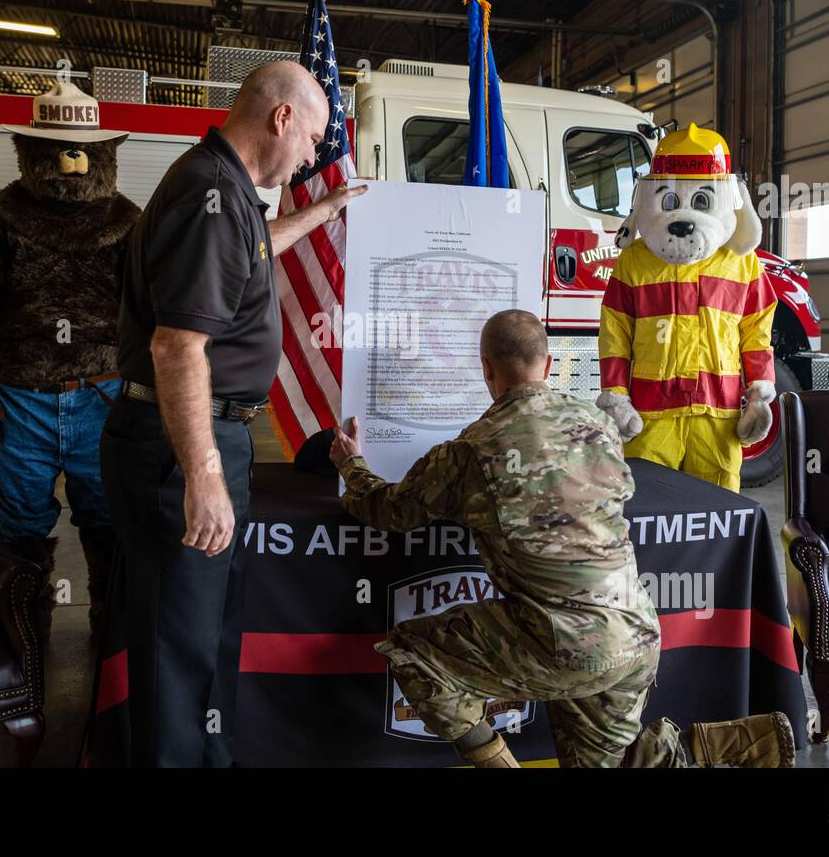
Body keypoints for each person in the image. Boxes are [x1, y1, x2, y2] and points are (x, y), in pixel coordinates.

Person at [330, 309, 795, 768]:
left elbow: (389, 511)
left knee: (414, 651)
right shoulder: (599, 426)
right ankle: (725, 746)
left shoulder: (472, 449)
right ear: (549, 366)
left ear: (485, 367)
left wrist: (352, 465)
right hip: (636, 637)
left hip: (563, 646)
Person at [102, 61, 367, 766]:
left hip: (198, 434)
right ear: (280, 118)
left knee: (204, 632)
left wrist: (320, 213)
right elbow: (178, 346)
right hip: (179, 443)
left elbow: (249, 256)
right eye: (311, 137)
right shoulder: (208, 195)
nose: (314, 155)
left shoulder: (226, 192)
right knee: (175, 643)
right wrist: (205, 473)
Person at [0, 81, 137, 647]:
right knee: (19, 534)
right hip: (18, 402)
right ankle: (22, 650)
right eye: (58, 147)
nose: (72, 159)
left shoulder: (128, 220)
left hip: (101, 399)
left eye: (82, 147)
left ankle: (112, 653)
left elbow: (150, 317)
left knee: (109, 528)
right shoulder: (4, 217)